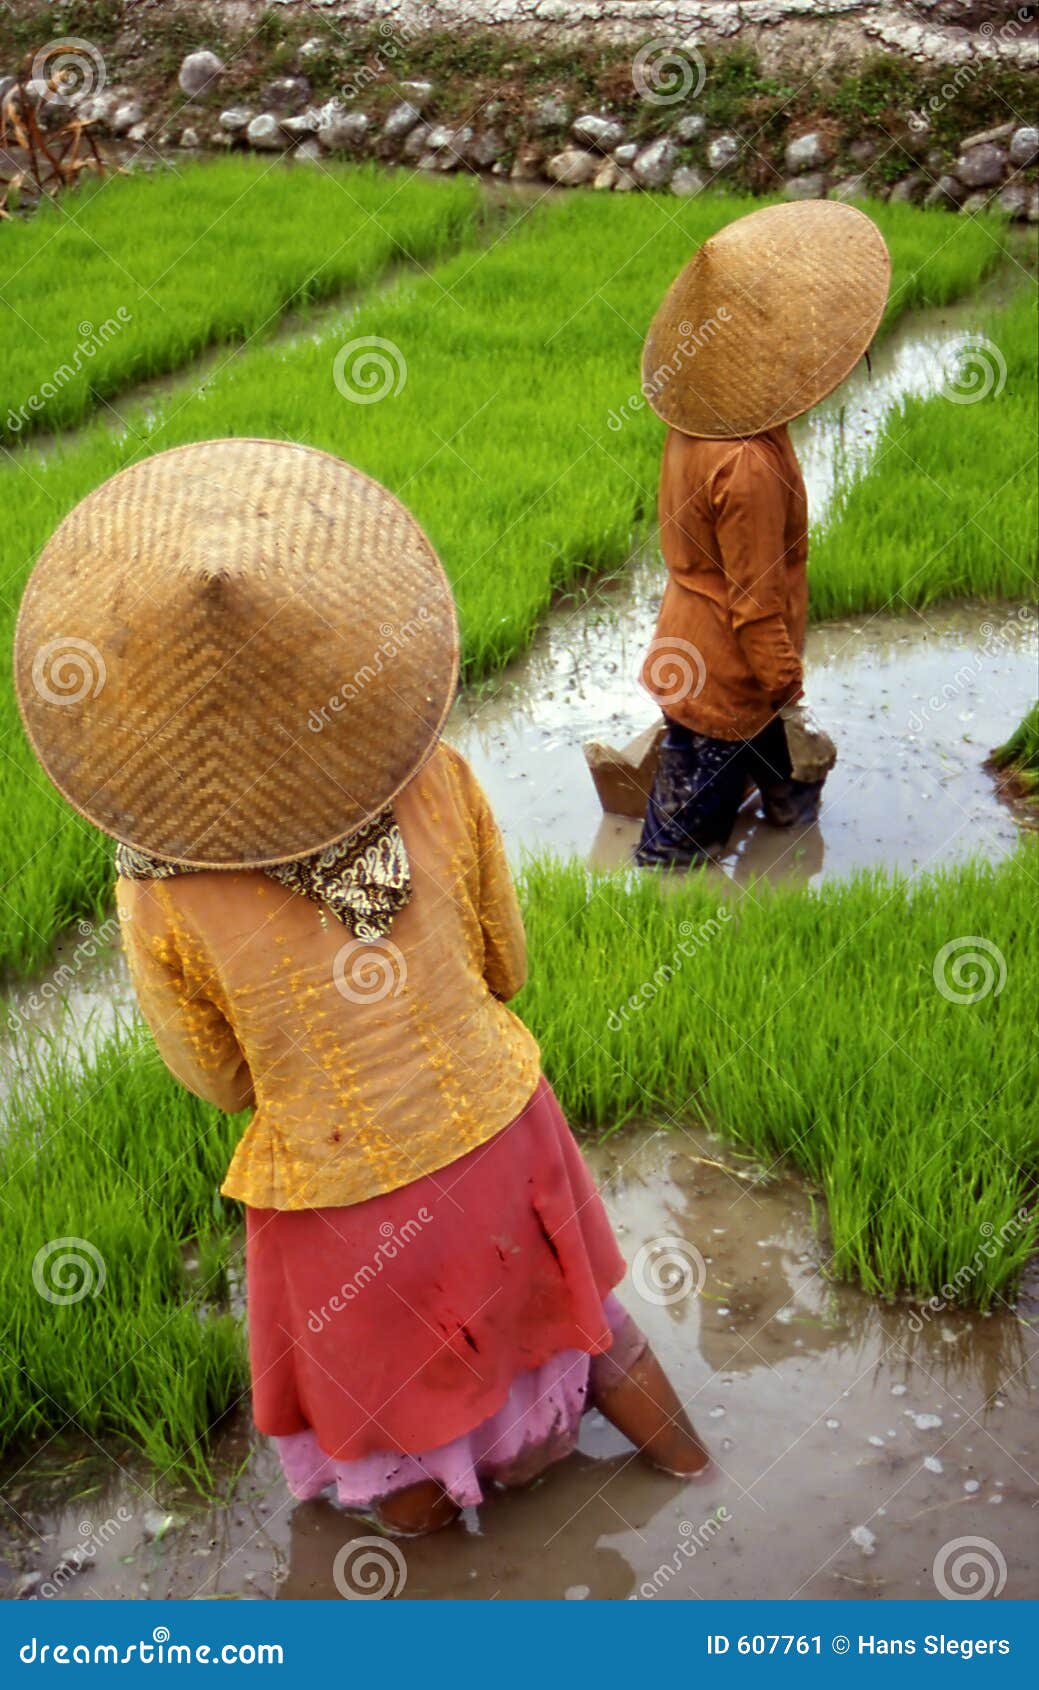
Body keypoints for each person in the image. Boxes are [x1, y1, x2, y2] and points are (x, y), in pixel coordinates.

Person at [14, 438, 709, 1538]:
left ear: (141, 721)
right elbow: (506, 971)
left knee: (394, 1443)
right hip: (499, 1127)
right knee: (586, 1322)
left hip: (338, 1199)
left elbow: (223, 1082)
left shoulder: (160, 887)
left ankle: (477, 1600)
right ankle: (701, 1490)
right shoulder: (432, 776)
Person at [635, 200, 890, 868]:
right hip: (727, 672)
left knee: (775, 778)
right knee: (676, 858)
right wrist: (786, 688)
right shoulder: (745, 464)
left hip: (694, 647)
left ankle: (789, 820)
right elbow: (751, 603)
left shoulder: (705, 416)